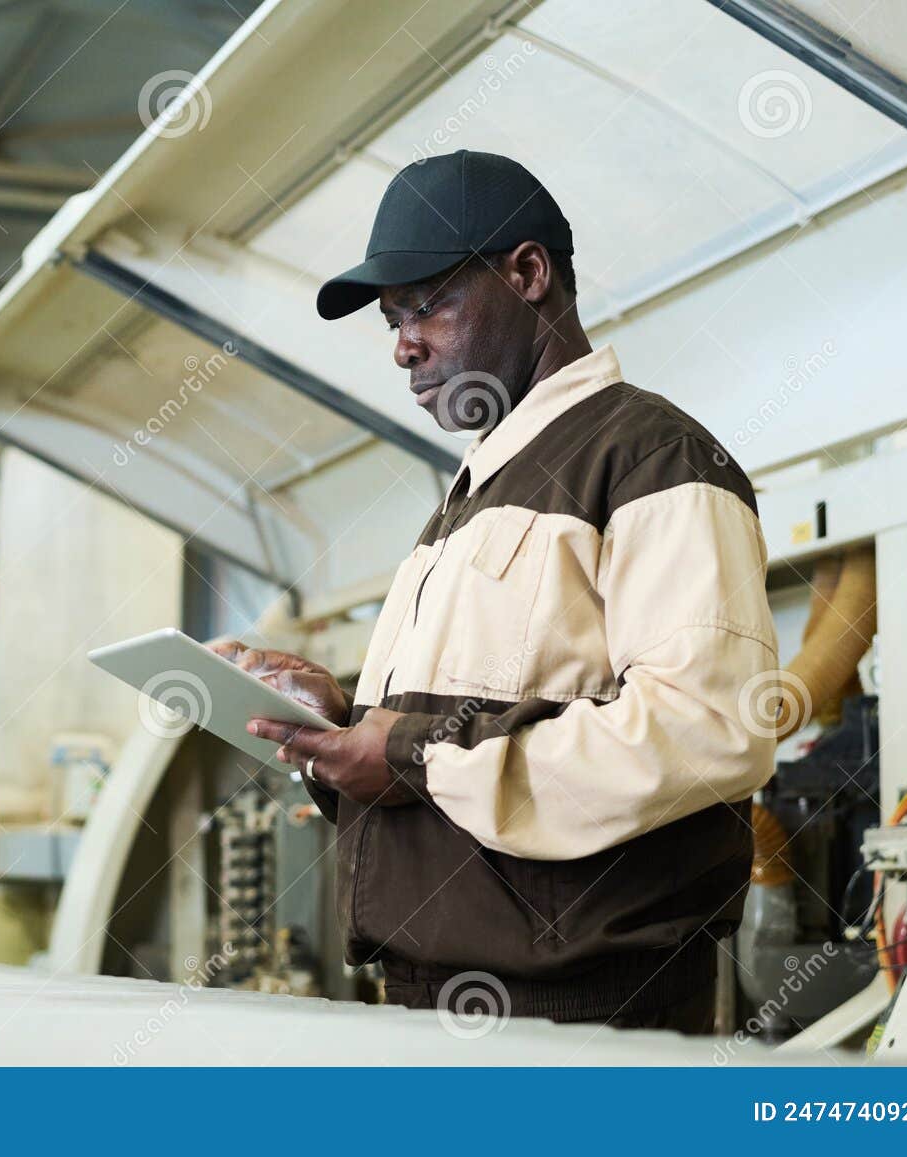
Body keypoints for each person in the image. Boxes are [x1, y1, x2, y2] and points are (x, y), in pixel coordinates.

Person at [215, 150, 777, 1032]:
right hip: (424, 999)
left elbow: (709, 730)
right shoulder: (464, 504)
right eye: (393, 320)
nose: (403, 345)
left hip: (583, 1014)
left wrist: (407, 753)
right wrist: (343, 722)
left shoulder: (649, 457)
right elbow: (449, 748)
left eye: (427, 304)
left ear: (527, 273)